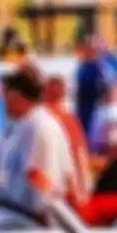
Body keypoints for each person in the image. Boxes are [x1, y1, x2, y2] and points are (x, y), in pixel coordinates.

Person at [0, 68, 78, 212]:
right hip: (24, 217)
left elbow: (38, 177)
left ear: (15, 95)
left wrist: (39, 217)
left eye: (4, 96)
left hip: (27, 222)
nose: (2, 102)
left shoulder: (34, 126)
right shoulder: (34, 122)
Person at [42, 76, 92, 205]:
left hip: (49, 189)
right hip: (66, 190)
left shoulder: (39, 120)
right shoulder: (68, 120)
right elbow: (79, 157)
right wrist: (83, 191)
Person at [74, 36, 107, 136]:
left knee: (92, 130)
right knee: (82, 127)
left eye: (90, 50)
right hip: (82, 103)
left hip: (93, 104)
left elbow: (103, 85)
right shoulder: (82, 66)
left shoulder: (97, 67)